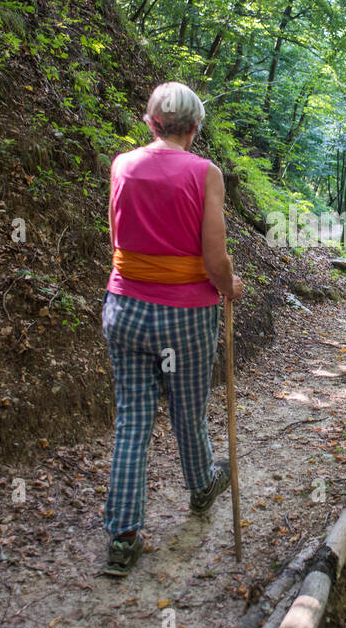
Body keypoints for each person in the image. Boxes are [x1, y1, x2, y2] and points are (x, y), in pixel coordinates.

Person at [100, 81, 244, 577]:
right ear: (195, 128)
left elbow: (119, 236)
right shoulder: (205, 173)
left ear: (151, 121)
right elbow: (214, 257)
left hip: (125, 307)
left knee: (133, 420)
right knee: (188, 407)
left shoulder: (122, 165)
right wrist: (231, 287)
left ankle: (123, 534)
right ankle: (202, 484)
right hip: (186, 313)